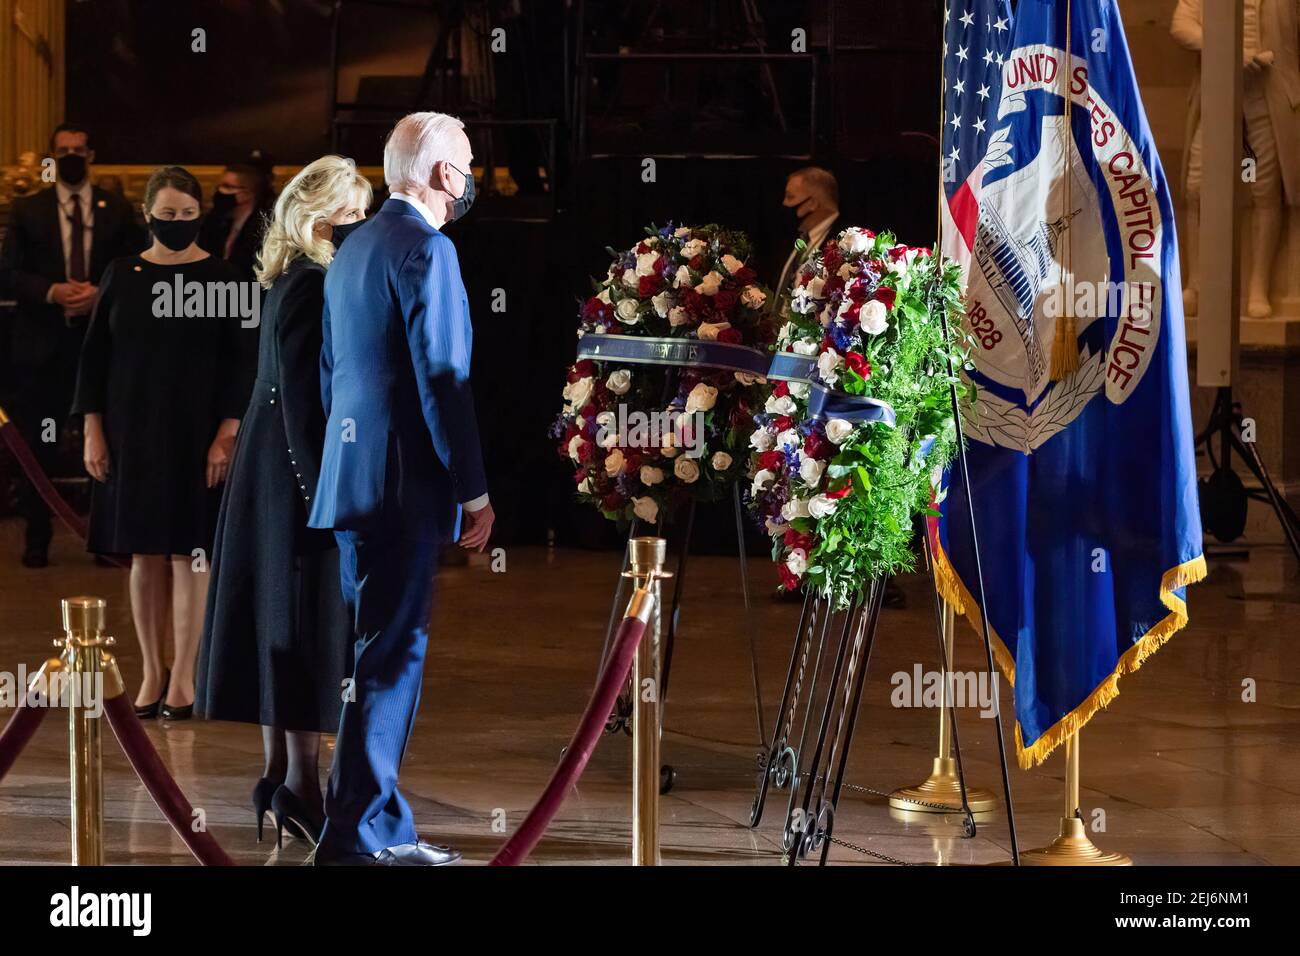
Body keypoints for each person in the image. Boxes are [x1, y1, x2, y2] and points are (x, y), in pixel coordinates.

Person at [308, 112, 494, 866]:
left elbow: (331, 373)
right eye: (470, 162)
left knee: (368, 658)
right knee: (391, 658)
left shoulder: (353, 249)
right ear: (445, 174)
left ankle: (366, 820)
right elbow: (443, 382)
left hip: (352, 479)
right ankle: (360, 834)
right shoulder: (429, 248)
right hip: (401, 486)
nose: (474, 175)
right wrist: (474, 491)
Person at [195, 157, 372, 848]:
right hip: (293, 480)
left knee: (282, 622)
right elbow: (302, 402)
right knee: (302, 625)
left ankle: (279, 778)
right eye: (356, 214)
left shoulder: (287, 277)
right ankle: (298, 783)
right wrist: (322, 495)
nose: (364, 227)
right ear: (325, 219)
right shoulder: (314, 282)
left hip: (271, 475)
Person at [72, 166, 256, 720]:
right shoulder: (121, 273)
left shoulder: (225, 278)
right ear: (149, 214)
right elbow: (94, 358)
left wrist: (227, 433)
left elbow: (243, 367)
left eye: (187, 214)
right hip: (132, 434)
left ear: (200, 215)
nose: (177, 223)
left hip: (198, 436)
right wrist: (92, 428)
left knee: (189, 555)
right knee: (144, 555)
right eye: (167, 214)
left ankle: (185, 676)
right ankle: (151, 670)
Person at [0, 122, 144, 567]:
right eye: (63, 151)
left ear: (92, 154)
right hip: (42, 348)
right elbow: (8, 272)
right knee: (38, 442)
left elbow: (137, 267)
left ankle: (102, 538)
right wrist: (52, 291)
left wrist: (102, 293)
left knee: (103, 445)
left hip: (101, 346)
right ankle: (37, 537)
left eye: (79, 149)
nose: (71, 156)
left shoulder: (117, 209)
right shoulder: (29, 210)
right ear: (51, 158)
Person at [772, 166, 843, 313]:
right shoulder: (797, 237)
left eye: (790, 197)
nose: (784, 204)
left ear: (813, 203)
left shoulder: (844, 242)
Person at [198, 162, 275, 282]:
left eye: (227, 186)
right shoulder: (215, 219)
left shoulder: (266, 227)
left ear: (247, 193)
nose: (220, 191)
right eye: (220, 186)